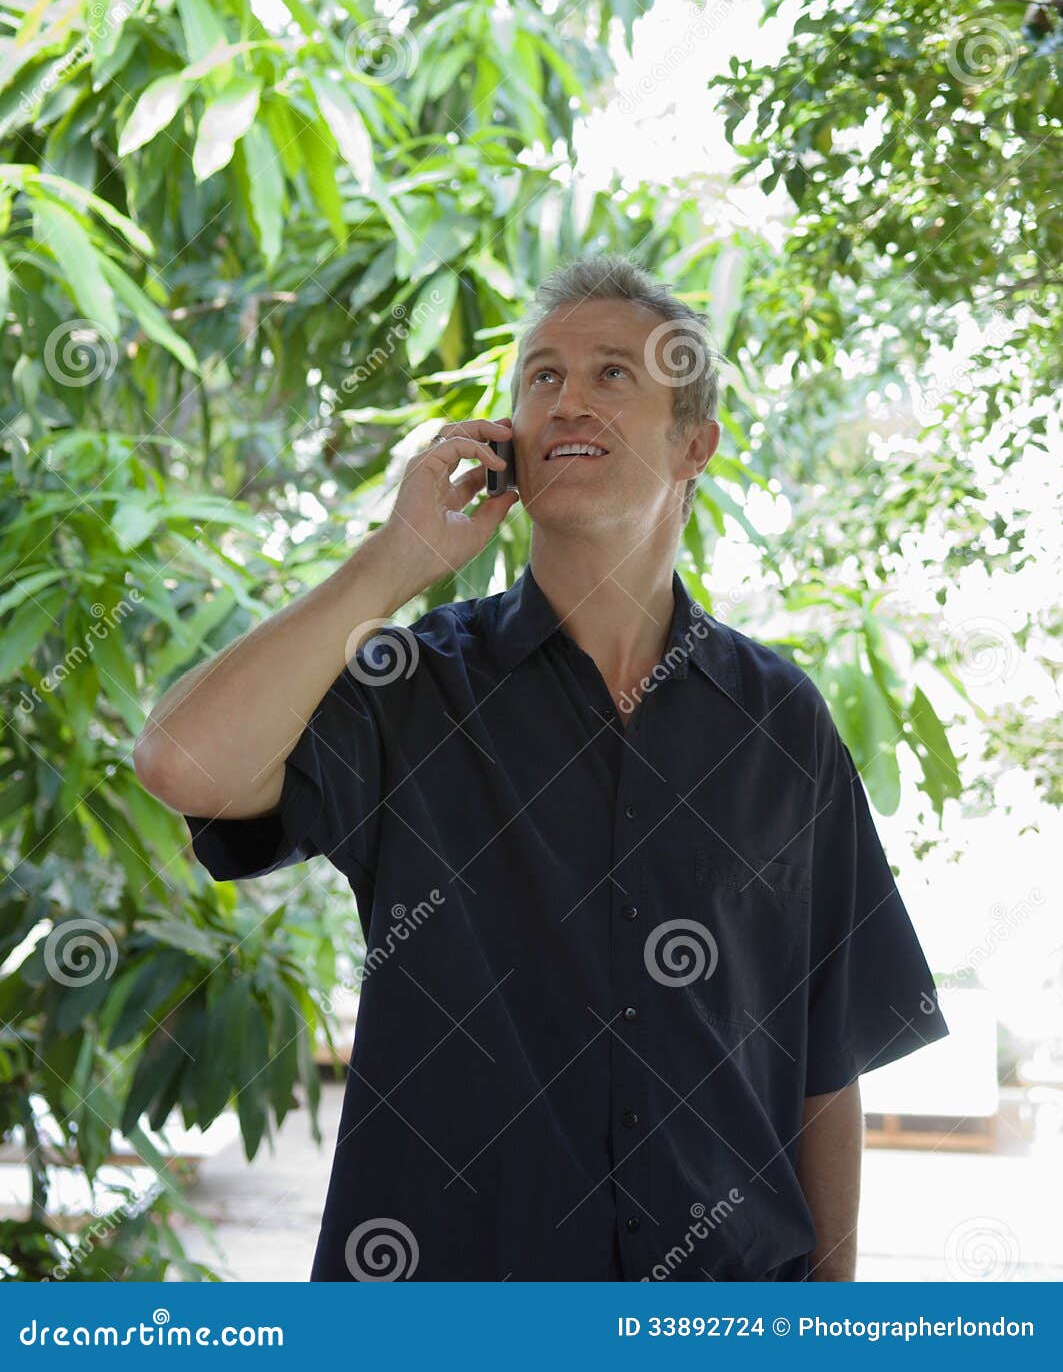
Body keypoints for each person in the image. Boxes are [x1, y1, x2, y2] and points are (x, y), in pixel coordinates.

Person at [134, 254, 948, 1282]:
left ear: (693, 443)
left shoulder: (779, 719)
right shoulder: (413, 686)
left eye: (612, 373)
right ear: (509, 440)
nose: (567, 398)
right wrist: (395, 559)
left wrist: (830, 1321)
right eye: (542, 376)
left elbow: (824, 1061)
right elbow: (182, 763)